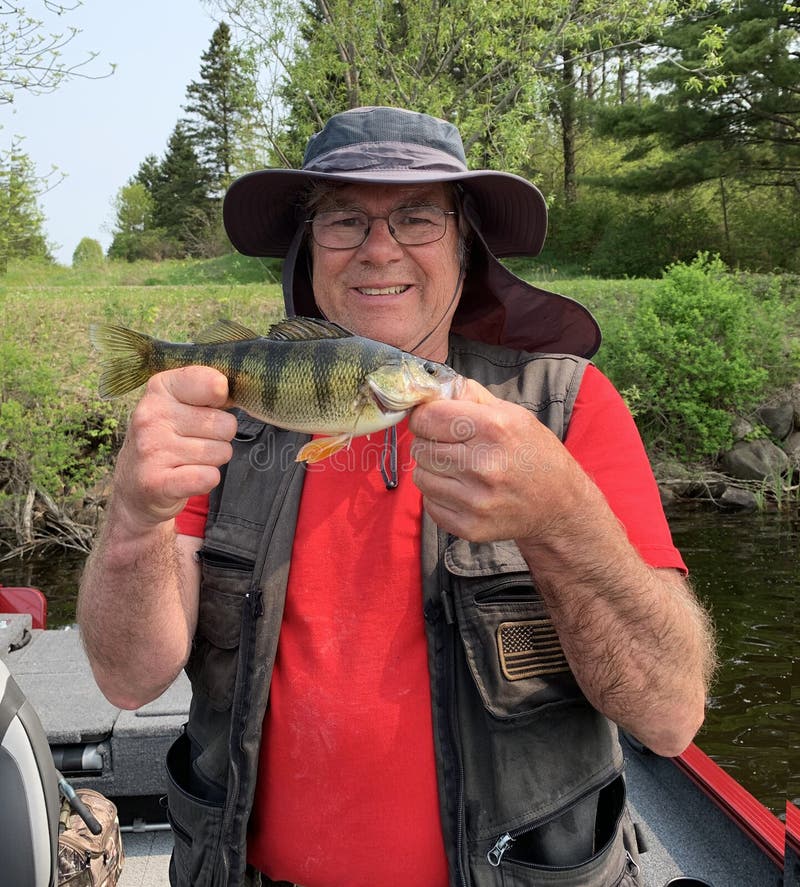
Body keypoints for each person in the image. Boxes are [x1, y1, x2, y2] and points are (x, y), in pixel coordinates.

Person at [78, 106, 716, 887]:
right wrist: (134, 517)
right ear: (309, 247)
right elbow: (127, 678)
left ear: (462, 242)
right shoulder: (218, 425)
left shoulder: (567, 408)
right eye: (345, 219)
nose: (379, 249)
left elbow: (671, 714)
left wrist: (563, 516)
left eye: (416, 216)